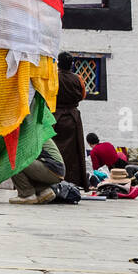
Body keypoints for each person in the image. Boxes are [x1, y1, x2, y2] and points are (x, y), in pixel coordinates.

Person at [51, 52, 88, 188]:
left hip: (55, 118)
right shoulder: (78, 78)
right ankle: (72, 181)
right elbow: (83, 95)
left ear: (58, 63)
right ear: (71, 64)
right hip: (73, 119)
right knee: (73, 153)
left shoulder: (53, 77)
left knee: (54, 150)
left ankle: (53, 178)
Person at [9, 134, 66, 204]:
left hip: (51, 168)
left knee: (14, 162)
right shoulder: (38, 130)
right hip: (56, 170)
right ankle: (43, 191)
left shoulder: (31, 133)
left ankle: (27, 195)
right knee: (25, 164)